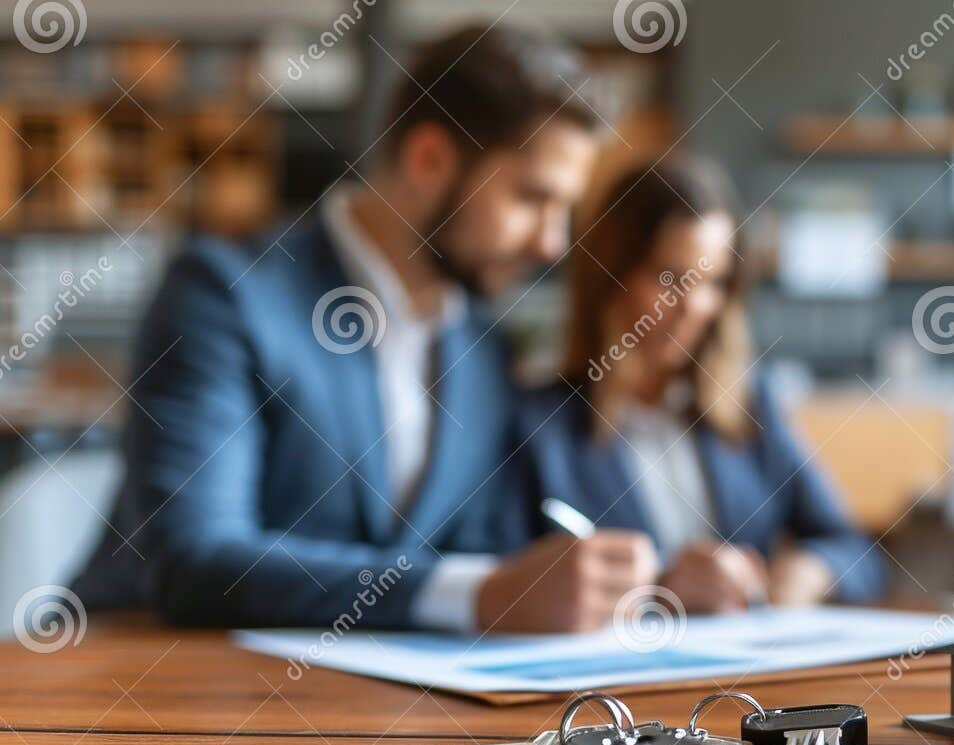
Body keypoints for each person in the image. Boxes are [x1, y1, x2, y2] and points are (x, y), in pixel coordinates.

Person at [73, 24, 657, 632]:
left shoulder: (481, 350)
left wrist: (648, 585)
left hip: (364, 687)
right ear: (429, 160)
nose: (551, 243)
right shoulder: (225, 296)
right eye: (532, 199)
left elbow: (478, 547)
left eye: (564, 210)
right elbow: (197, 560)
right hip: (137, 671)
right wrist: (477, 594)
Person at [505, 157, 885, 616]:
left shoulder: (751, 404)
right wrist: (659, 586)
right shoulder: (538, 426)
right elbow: (506, 583)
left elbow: (855, 551)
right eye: (671, 279)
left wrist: (810, 572)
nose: (696, 306)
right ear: (609, 277)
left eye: (714, 281)